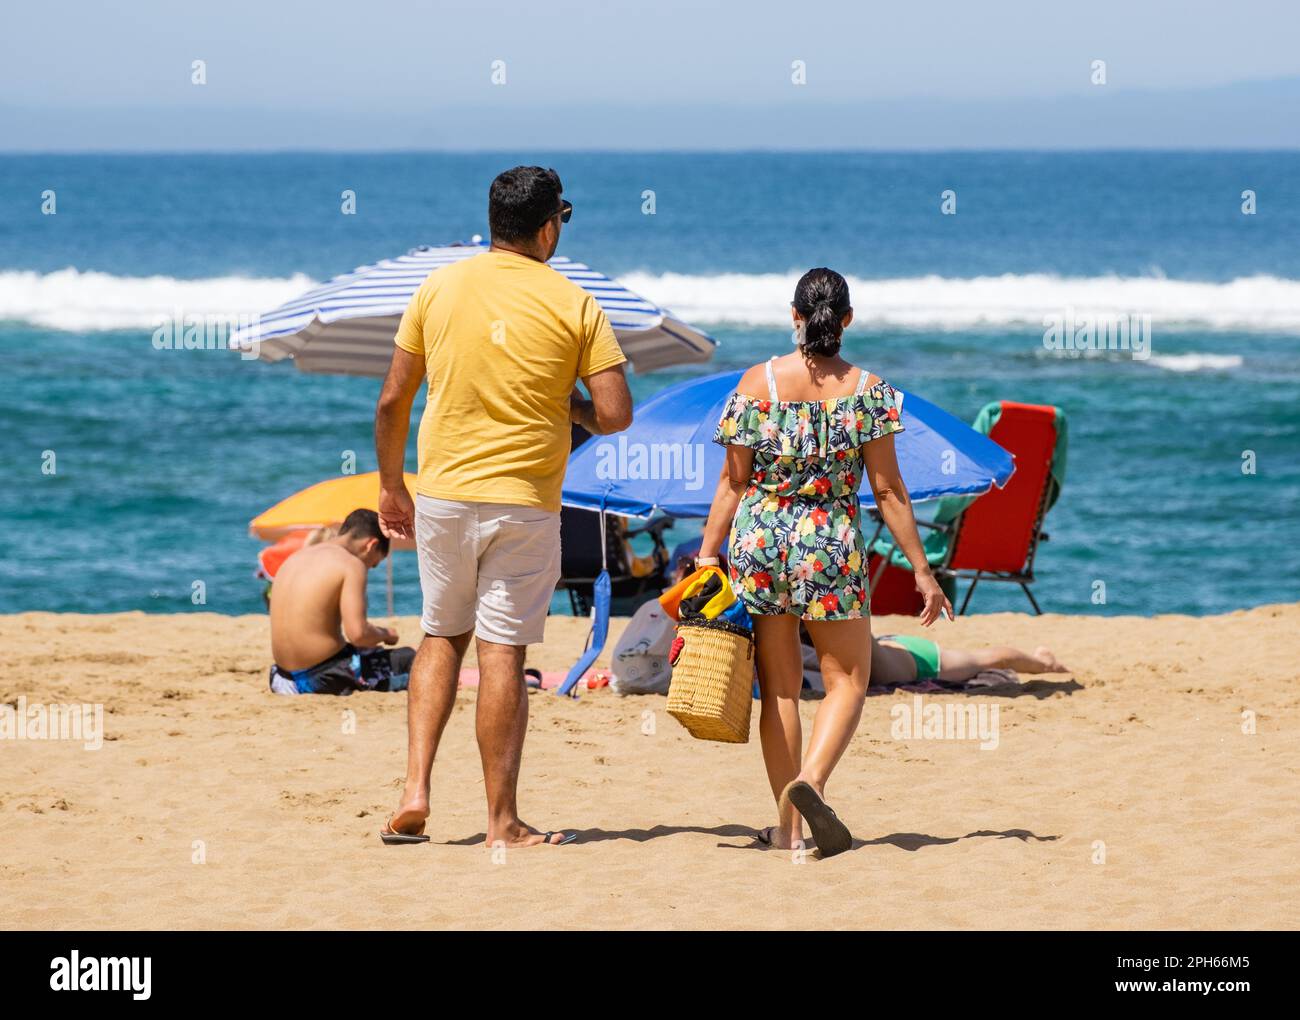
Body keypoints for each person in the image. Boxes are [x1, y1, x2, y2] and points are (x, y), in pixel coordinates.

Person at [373, 166, 633, 847]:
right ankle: (501, 822)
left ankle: (415, 789)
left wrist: (390, 486)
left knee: (440, 635)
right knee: (501, 656)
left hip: (444, 495)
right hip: (523, 502)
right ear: (549, 225)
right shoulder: (576, 303)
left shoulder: (439, 286)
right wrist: (564, 403)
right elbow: (614, 413)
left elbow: (393, 400)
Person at [699, 267, 953, 858]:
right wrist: (921, 568)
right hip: (829, 543)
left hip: (760, 542)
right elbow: (888, 492)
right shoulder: (869, 391)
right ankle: (810, 783)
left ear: (794, 317)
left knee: (781, 690)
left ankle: (787, 832)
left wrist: (707, 554)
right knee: (848, 680)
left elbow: (732, 483)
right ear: (847, 322)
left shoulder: (755, 383)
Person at [267, 509, 415, 696]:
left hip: (281, 679)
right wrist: (385, 634)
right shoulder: (351, 564)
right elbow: (358, 635)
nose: (370, 568)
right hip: (324, 678)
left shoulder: (296, 557)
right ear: (371, 545)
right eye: (374, 563)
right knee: (409, 658)